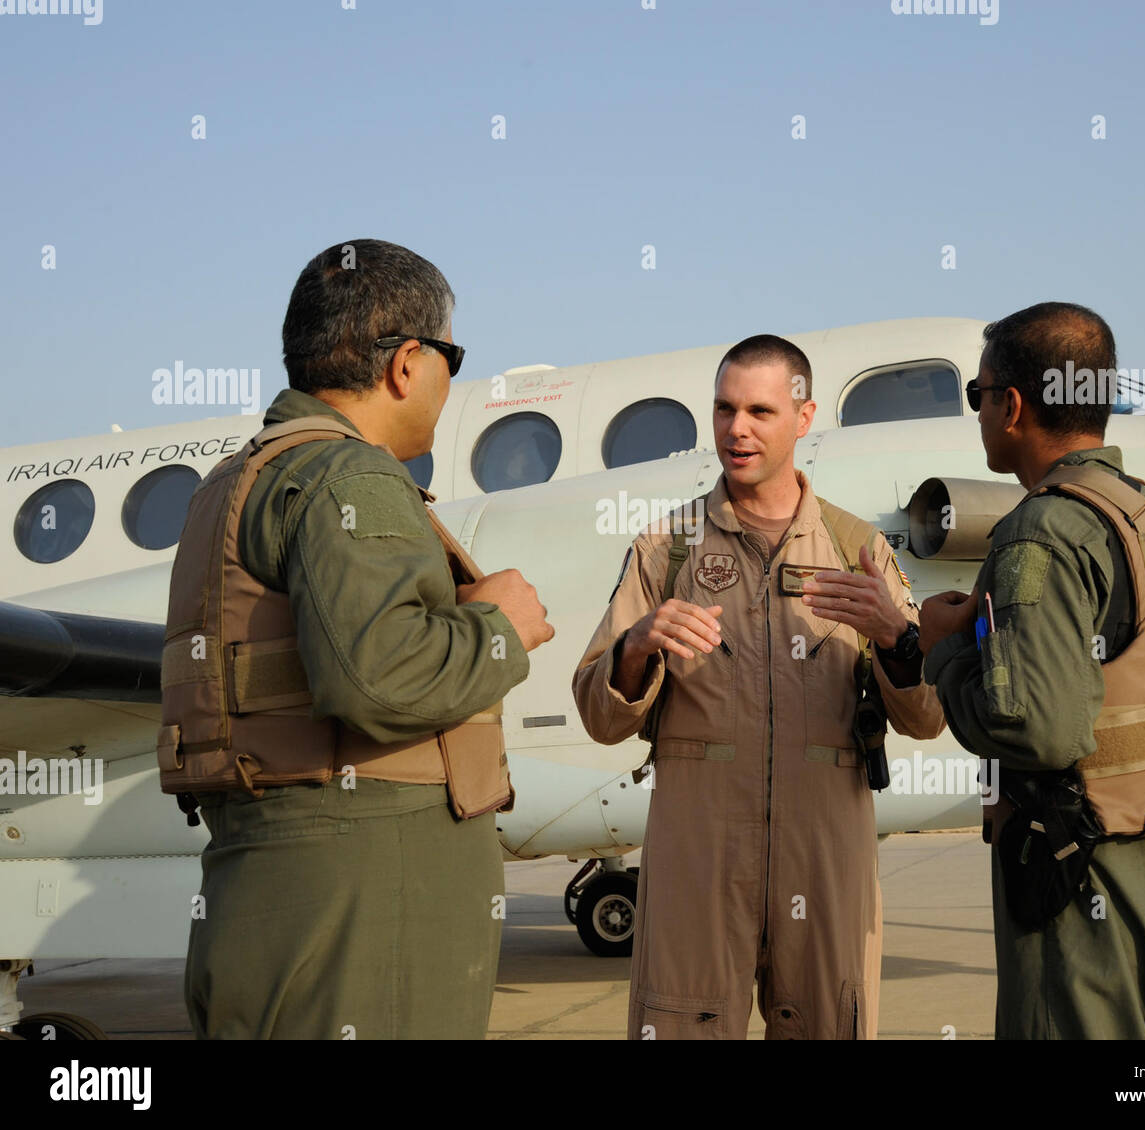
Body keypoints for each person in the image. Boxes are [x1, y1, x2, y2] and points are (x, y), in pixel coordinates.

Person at [156, 238, 553, 1039]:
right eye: (450, 355)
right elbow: (377, 679)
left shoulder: (234, 483)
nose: (450, 379)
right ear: (407, 362)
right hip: (369, 897)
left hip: (279, 883)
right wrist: (500, 628)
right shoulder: (352, 477)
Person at [572, 334, 946, 1039]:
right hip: (700, 857)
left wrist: (897, 637)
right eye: (723, 409)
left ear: (803, 420)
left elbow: (926, 718)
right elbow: (601, 714)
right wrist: (637, 644)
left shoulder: (857, 550)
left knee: (830, 1024)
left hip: (824, 854)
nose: (735, 429)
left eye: (759, 411)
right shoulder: (667, 547)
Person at [919, 301, 1145, 1039]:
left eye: (979, 396)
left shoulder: (1041, 529)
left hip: (1088, 909)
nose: (977, 414)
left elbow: (1033, 728)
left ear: (1011, 405)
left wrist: (942, 648)